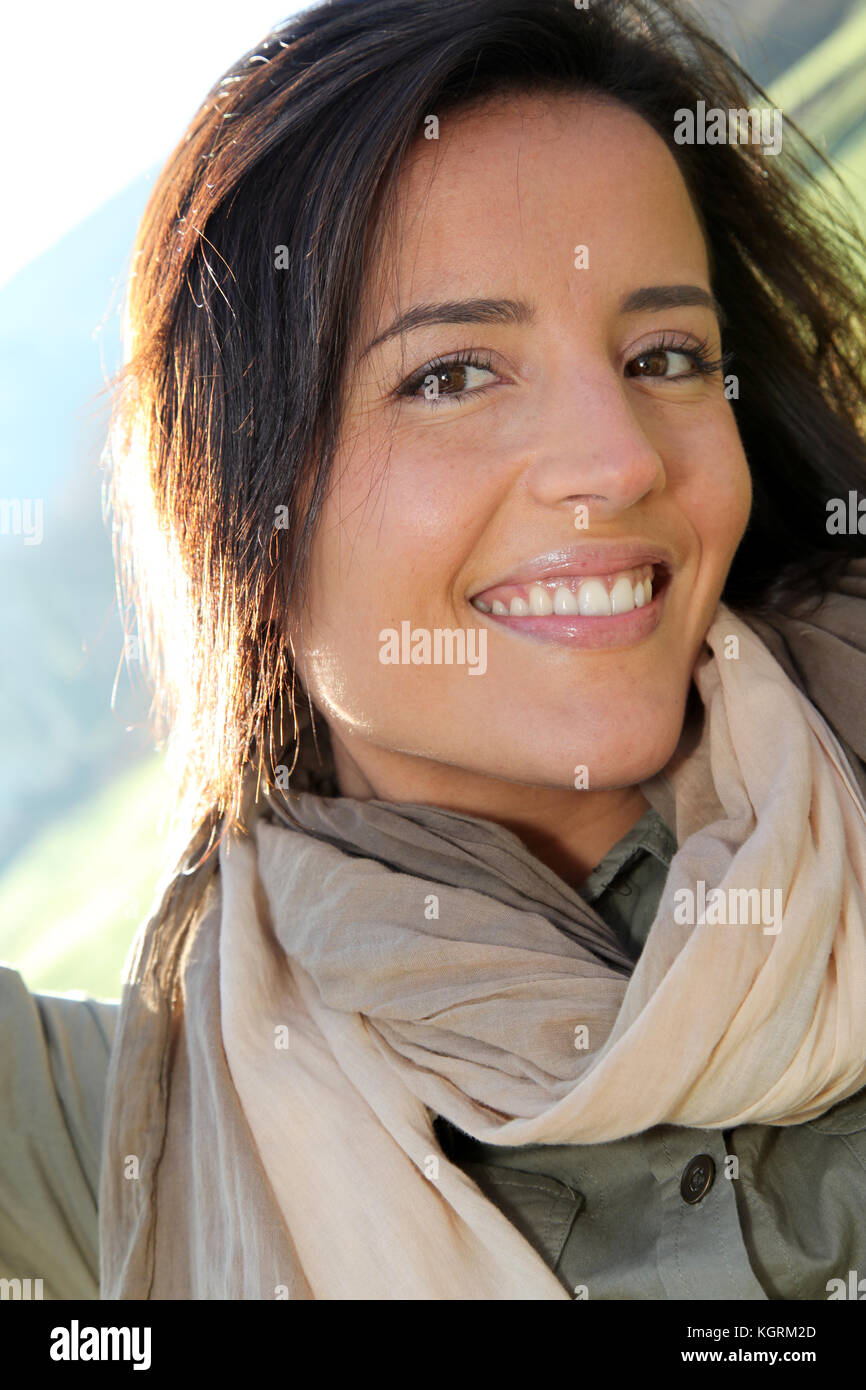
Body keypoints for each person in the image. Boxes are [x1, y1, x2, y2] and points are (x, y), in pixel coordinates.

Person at [2, 0, 866, 1301]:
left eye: (666, 355)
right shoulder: (131, 1124)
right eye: (452, 375)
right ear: (240, 515)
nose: (619, 459)